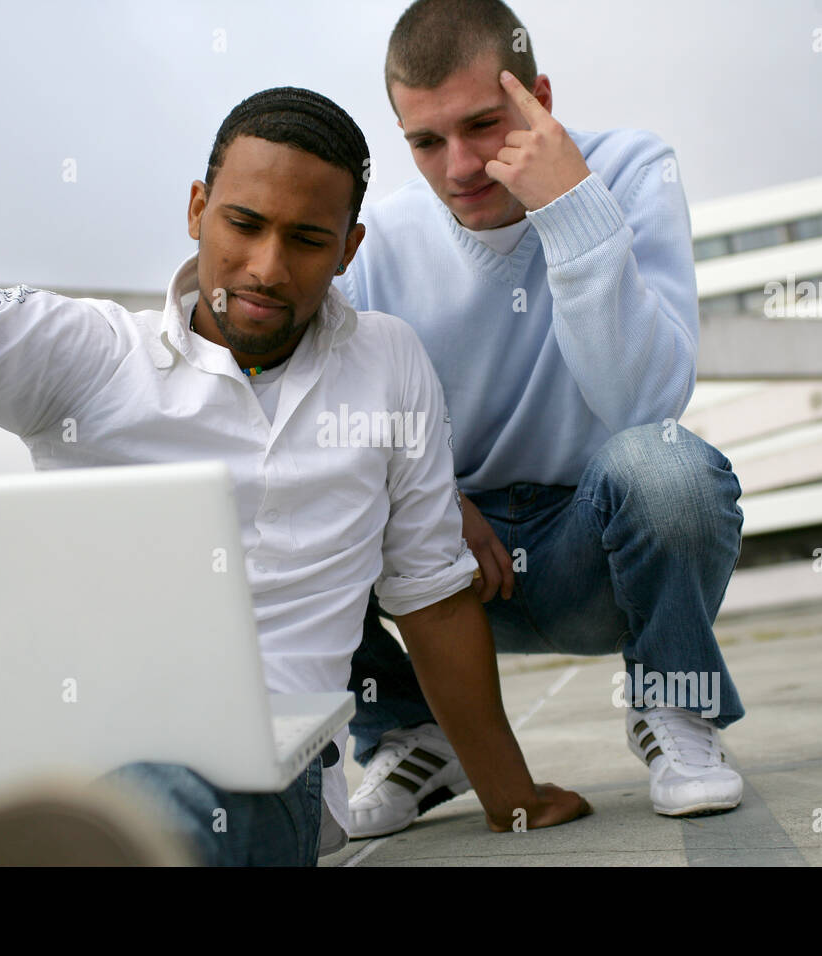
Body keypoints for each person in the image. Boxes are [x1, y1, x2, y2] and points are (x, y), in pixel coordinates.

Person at [0, 86, 590, 867]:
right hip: (25, 742)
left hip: (243, 778)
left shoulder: (389, 363)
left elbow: (432, 599)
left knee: (156, 802)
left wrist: (512, 798)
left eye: (307, 239)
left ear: (349, 247)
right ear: (197, 209)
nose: (266, 269)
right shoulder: (96, 354)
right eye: (243, 225)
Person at [333, 0, 748, 839]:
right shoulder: (378, 242)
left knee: (669, 465)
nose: (458, 167)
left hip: (588, 550)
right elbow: (330, 422)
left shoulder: (630, 168)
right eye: (425, 142)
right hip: (447, 569)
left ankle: (672, 707)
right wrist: (438, 504)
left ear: (539, 99)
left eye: (483, 125)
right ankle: (411, 734)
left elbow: (645, 406)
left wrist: (570, 209)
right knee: (292, 493)